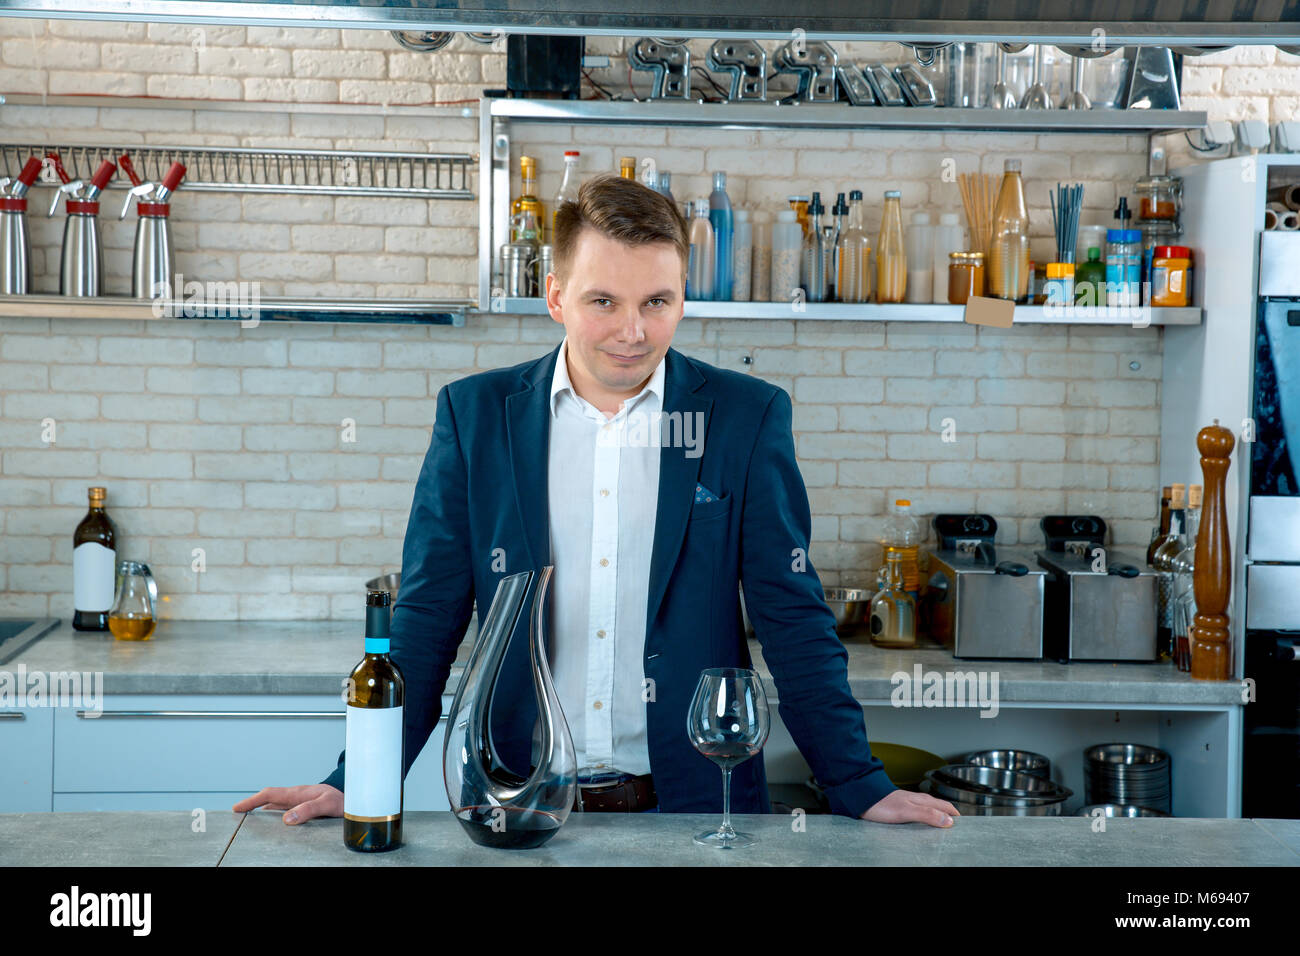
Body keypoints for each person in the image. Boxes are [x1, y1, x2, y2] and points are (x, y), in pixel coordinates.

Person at [235, 174, 959, 828]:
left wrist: (858, 783)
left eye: (657, 302)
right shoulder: (477, 417)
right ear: (555, 297)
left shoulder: (744, 418)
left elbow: (792, 615)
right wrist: (356, 780)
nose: (632, 332)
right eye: (603, 301)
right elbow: (428, 621)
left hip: (695, 810)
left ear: (683, 298)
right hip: (517, 803)